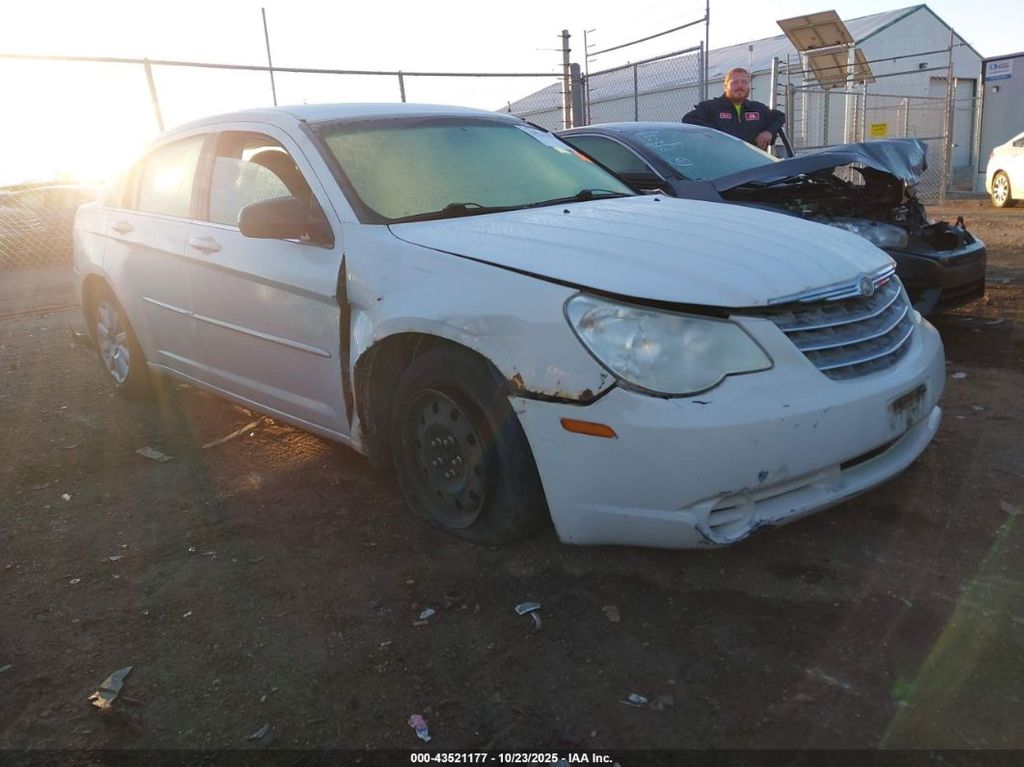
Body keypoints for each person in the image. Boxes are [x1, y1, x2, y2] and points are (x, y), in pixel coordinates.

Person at [682, 68, 785, 150]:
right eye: (735, 82)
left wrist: (769, 131)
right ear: (726, 86)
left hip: (754, 167)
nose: (740, 86)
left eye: (744, 82)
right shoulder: (711, 107)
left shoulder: (758, 109)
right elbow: (688, 119)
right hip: (723, 167)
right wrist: (718, 134)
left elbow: (779, 116)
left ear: (749, 86)